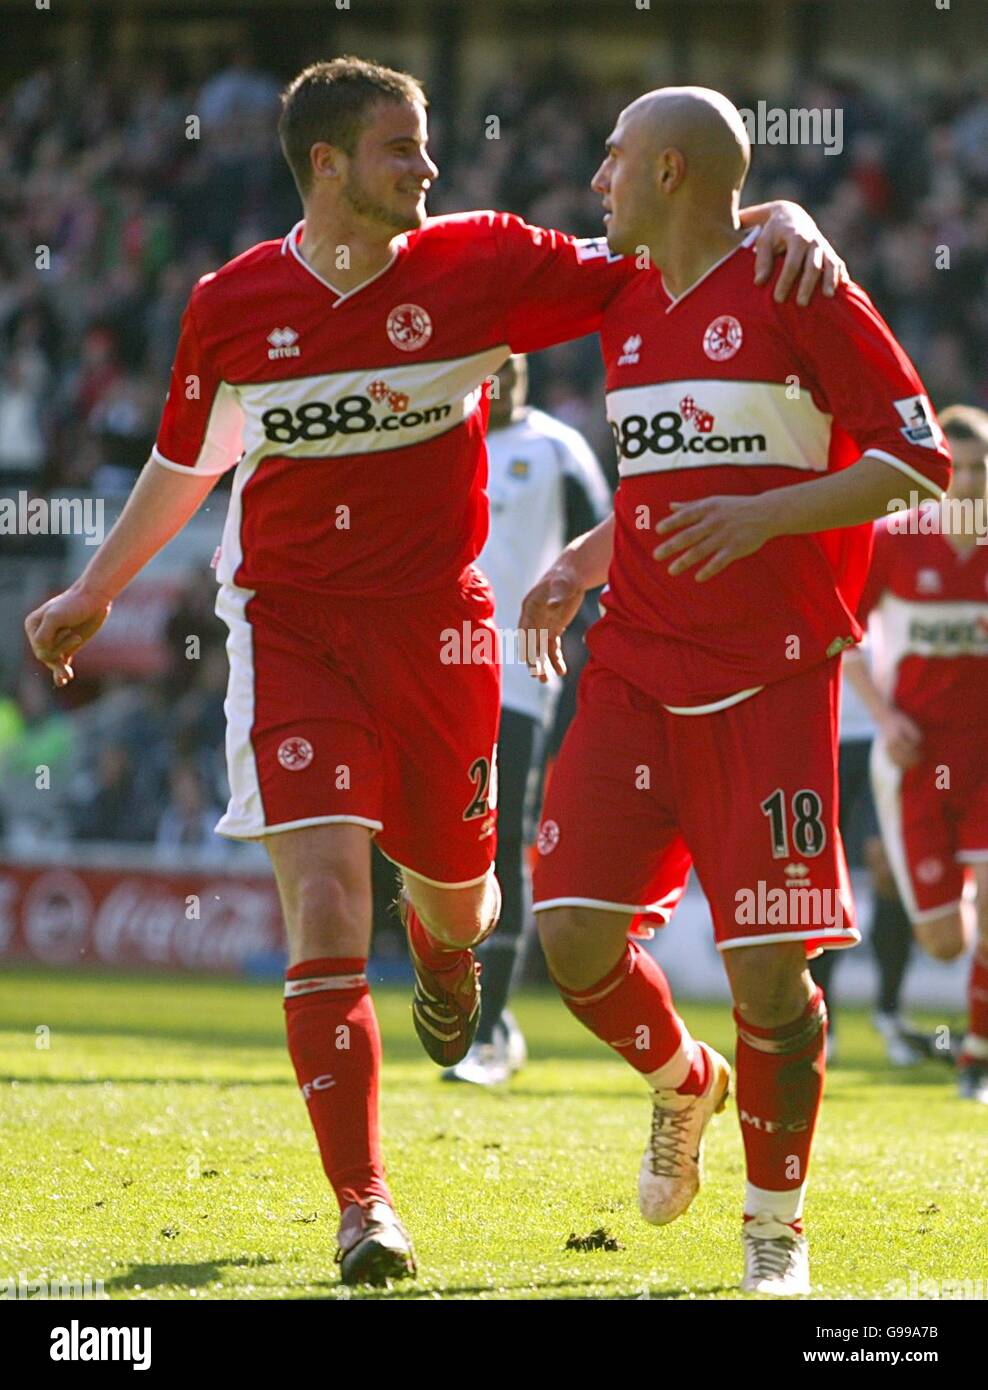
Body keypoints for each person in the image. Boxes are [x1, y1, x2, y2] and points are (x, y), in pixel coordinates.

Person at [24, 56, 843, 1287]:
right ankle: (364, 1208)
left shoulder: (480, 264)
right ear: (328, 165)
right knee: (328, 911)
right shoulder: (232, 304)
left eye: (426, 148)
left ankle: (517, 990)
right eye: (403, 149)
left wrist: (774, 215)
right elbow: (187, 458)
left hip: (440, 635)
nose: (429, 169)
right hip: (291, 625)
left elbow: (663, 254)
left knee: (457, 910)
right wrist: (95, 587)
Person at [519, 86, 951, 1295]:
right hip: (632, 666)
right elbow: (670, 477)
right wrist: (583, 556)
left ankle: (775, 1228)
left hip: (766, 681)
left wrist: (768, 516)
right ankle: (683, 1083)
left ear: (665, 172)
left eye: (611, 159)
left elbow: (913, 461)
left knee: (770, 975)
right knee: (570, 935)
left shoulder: (799, 288)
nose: (592, 179)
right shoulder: (624, 299)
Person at [444, 354, 610, 1085]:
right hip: (435, 673)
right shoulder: (446, 437)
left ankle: (490, 1030)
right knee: (436, 838)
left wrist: (591, 656)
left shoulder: (557, 449)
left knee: (504, 835)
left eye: (517, 369)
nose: (506, 381)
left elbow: (605, 559)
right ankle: (475, 1012)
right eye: (494, 368)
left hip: (517, 673)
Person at [846, 404, 988, 1103]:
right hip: (915, 761)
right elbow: (843, 637)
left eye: (978, 470)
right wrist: (884, 716)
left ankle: (977, 1063)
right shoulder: (894, 540)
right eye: (954, 469)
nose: (966, 482)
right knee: (946, 942)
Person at [809, 660, 933, 1067]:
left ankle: (889, 1012)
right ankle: (824, 1020)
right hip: (823, 739)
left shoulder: (889, 599)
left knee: (889, 868)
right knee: (819, 881)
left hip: (883, 743)